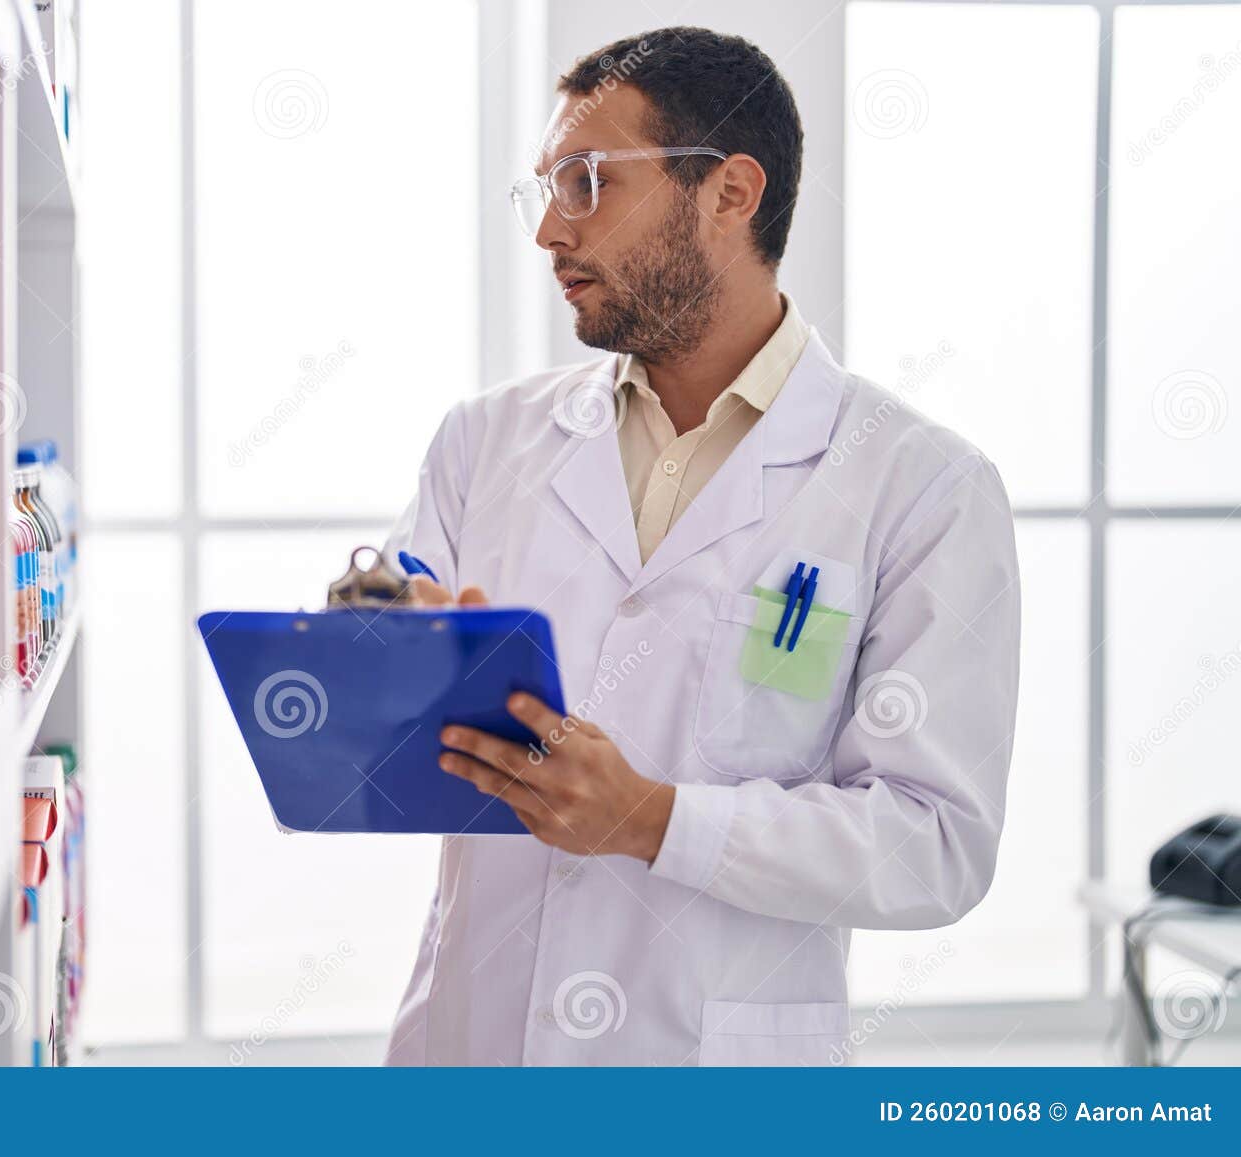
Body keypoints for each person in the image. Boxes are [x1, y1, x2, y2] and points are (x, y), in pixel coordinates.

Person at [382, 26, 1021, 1066]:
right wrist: (378, 643)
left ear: (728, 194)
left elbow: (934, 845)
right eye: (544, 187)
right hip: (469, 1049)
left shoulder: (918, 485)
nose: (549, 228)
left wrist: (653, 819)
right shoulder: (484, 440)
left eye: (587, 180)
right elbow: (393, 700)